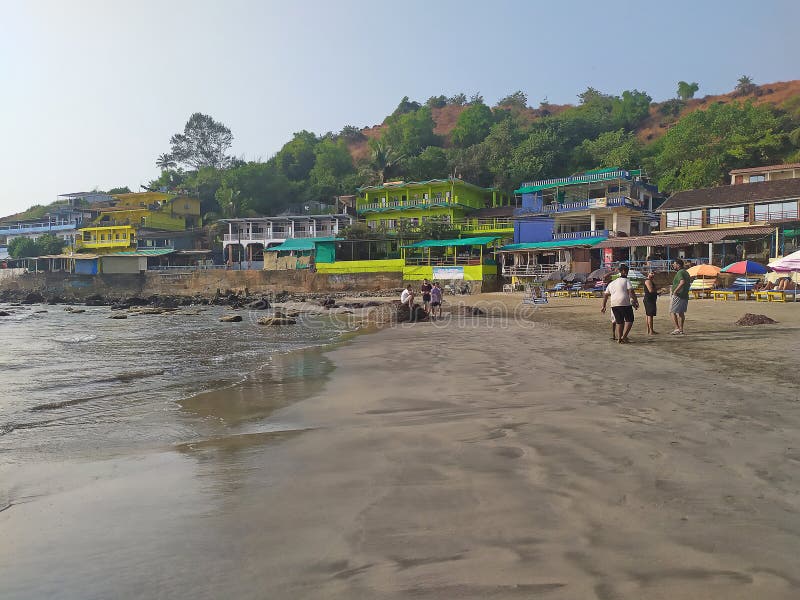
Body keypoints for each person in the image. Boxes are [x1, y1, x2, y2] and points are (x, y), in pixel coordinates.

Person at [601, 264, 639, 344]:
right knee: (629, 320)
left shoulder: (612, 283)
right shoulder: (626, 280)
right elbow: (631, 292)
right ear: (624, 271)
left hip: (614, 304)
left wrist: (603, 306)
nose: (627, 273)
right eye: (627, 271)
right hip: (624, 303)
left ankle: (619, 338)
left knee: (619, 322)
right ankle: (623, 337)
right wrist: (635, 301)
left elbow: (606, 295)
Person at [670, 258, 691, 335]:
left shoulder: (680, 272)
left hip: (678, 295)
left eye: (674, 264)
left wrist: (675, 291)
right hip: (685, 295)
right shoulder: (686, 272)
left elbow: (682, 282)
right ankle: (681, 329)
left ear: (678, 265)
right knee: (681, 313)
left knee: (672, 312)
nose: (673, 265)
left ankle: (677, 328)